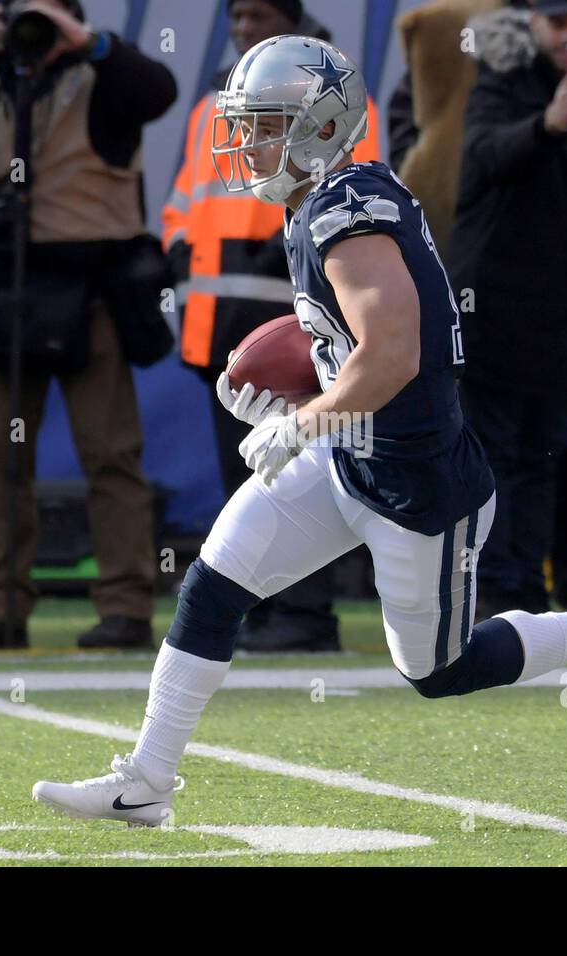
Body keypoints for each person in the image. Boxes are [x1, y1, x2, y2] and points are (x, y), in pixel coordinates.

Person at [31, 35, 567, 825]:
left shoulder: (346, 211)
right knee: (213, 584)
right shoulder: (324, 198)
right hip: (351, 456)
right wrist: (303, 398)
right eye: (247, 124)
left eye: (267, 124)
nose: (248, 142)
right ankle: (146, 781)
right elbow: (353, 347)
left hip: (417, 484)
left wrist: (303, 421)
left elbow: (394, 355)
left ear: (321, 125)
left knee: (439, 671)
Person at [0, 0, 176, 651]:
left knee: (111, 455)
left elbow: (157, 92)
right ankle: (0, 606)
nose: (32, 32)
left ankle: (126, 607)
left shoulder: (104, 72)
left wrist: (88, 43)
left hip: (92, 288)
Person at [162, 0, 381, 653]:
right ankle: (259, 610)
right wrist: (178, 252)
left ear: (292, 20)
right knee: (249, 476)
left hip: (289, 322)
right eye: (237, 16)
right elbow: (184, 201)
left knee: (300, 474)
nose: (243, 27)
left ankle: (306, 616)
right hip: (219, 321)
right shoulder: (216, 102)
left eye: (258, 15)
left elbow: (352, 190)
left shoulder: (333, 97)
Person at [447, 0, 567, 617]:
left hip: (560, 314)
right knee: (493, 453)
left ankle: (525, 590)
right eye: (560, 24)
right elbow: (482, 158)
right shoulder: (503, 75)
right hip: (493, 305)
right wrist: (549, 124)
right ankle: (494, 594)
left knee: (543, 456)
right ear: (533, 21)